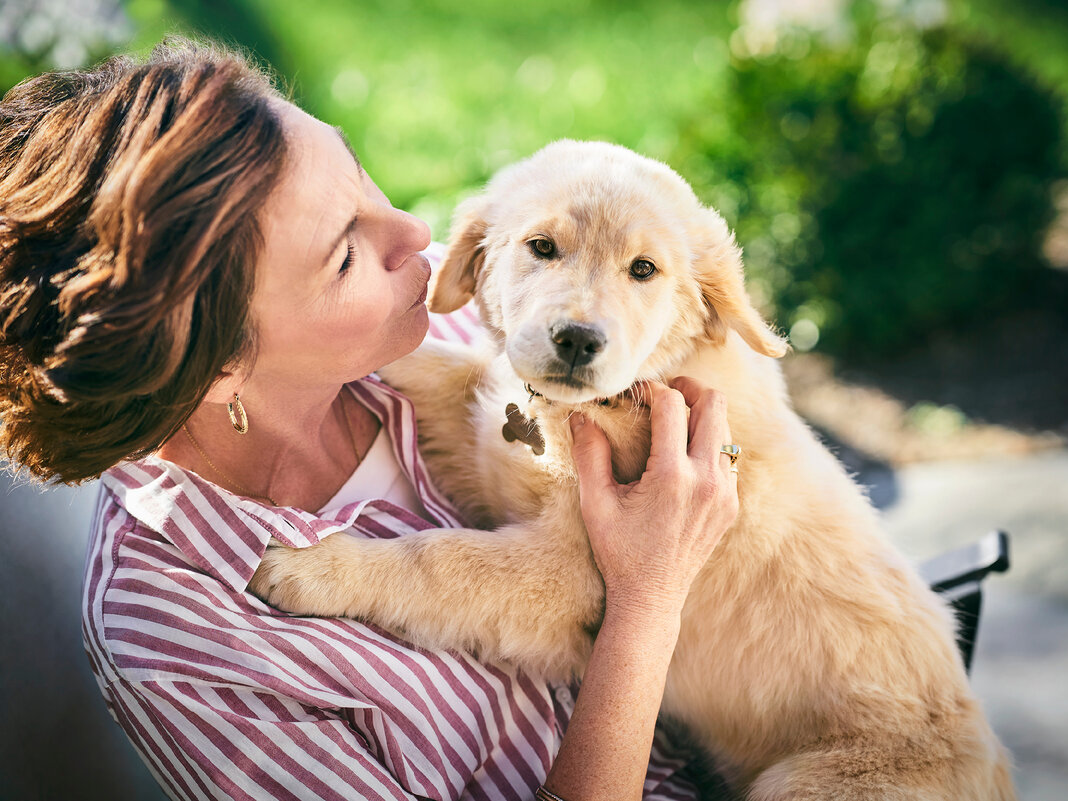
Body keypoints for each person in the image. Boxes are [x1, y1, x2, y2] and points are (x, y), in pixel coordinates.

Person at [0, 39, 739, 801]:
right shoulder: (180, 642)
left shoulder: (444, 323)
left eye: (357, 174)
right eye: (344, 256)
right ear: (222, 364)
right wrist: (647, 604)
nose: (415, 234)